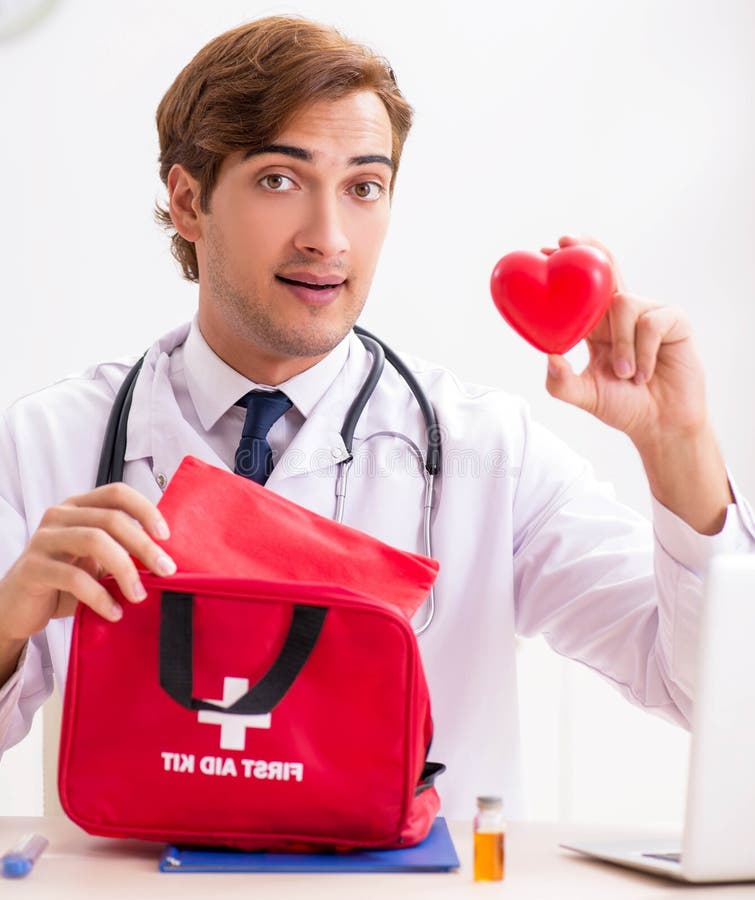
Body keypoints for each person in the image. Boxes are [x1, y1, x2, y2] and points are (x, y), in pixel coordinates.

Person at [0, 16, 753, 820]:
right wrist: (7, 628)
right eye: (279, 180)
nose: (328, 239)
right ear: (189, 202)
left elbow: (711, 698)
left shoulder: (484, 451)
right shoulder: (52, 442)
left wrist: (679, 448)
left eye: (363, 187)